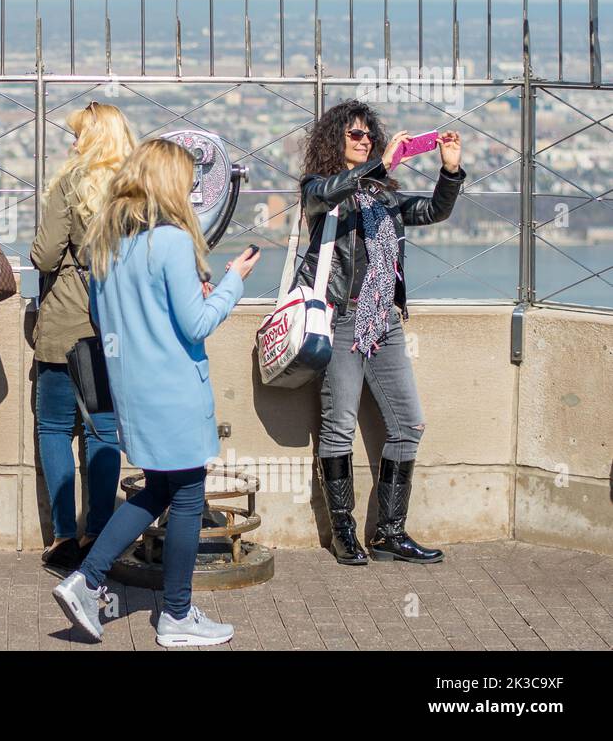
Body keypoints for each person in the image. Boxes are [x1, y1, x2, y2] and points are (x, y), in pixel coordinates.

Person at [53, 138, 259, 647]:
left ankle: (87, 579)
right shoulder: (169, 242)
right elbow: (197, 324)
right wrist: (233, 282)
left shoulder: (107, 243)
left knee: (159, 489)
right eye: (187, 184)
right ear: (169, 185)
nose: (192, 193)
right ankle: (176, 615)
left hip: (134, 391)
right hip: (174, 392)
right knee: (187, 495)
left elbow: (105, 320)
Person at [297, 100, 465, 565]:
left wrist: (450, 172)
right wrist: (379, 164)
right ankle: (343, 532)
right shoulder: (320, 189)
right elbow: (325, 193)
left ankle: (390, 532)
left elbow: (432, 212)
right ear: (337, 141)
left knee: (408, 424)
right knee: (339, 427)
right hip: (341, 318)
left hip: (384, 321)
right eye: (355, 135)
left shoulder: (385, 197)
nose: (365, 139)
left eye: (369, 134)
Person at [30, 102, 135, 573]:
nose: (71, 144)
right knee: (102, 430)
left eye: (77, 136)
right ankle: (101, 533)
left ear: (91, 141)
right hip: (115, 330)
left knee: (55, 427)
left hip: (67, 323)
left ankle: (63, 538)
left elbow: (45, 255)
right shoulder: (138, 192)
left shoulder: (70, 185)